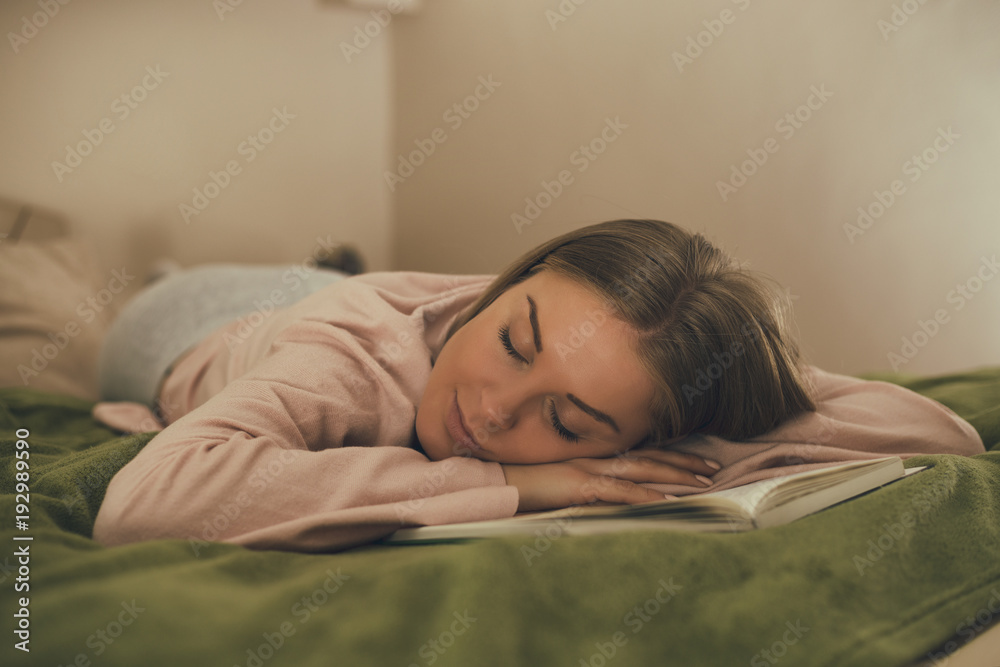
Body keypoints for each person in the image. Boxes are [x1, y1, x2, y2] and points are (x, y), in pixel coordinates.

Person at [91, 219, 984, 553]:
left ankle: (334, 267)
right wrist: (513, 480)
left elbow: (945, 437)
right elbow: (147, 500)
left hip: (345, 299)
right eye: (516, 343)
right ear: (503, 283)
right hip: (179, 324)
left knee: (331, 279)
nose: (490, 411)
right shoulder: (352, 359)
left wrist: (726, 387)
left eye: (568, 419)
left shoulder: (622, 386)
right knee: (298, 288)